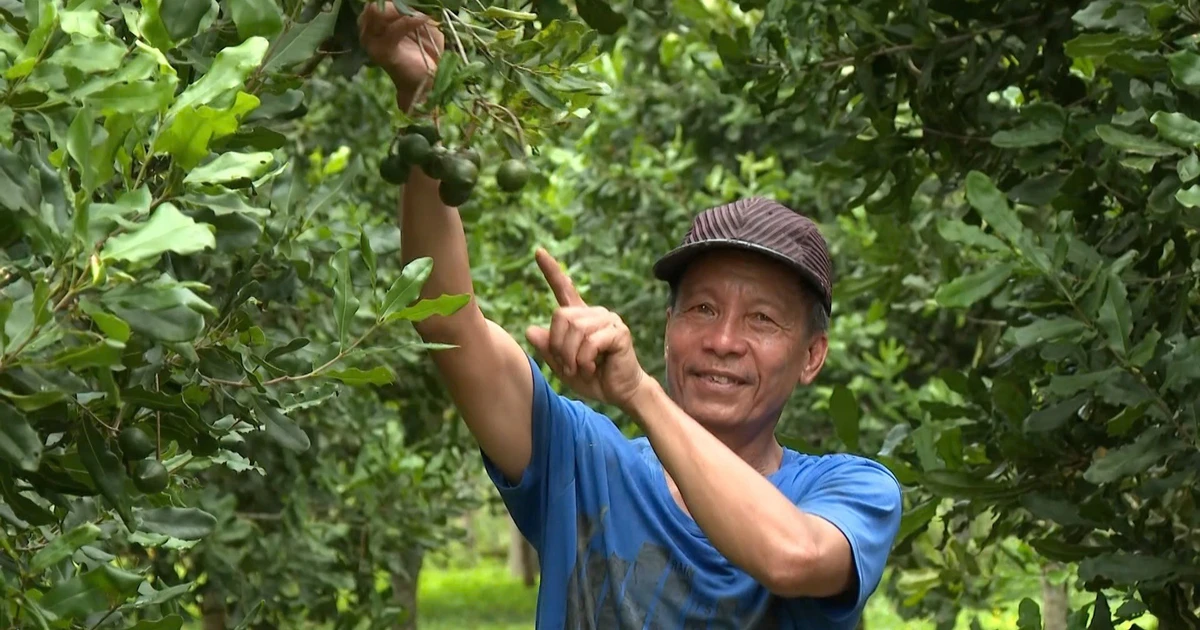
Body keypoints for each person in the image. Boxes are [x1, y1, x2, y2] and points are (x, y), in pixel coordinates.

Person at [359, 6, 904, 629]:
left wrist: (639, 391)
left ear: (812, 355)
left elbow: (791, 557)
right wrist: (425, 102)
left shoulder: (851, 492)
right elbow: (445, 319)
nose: (724, 340)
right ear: (668, 327)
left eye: (762, 320)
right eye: (702, 308)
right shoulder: (582, 460)